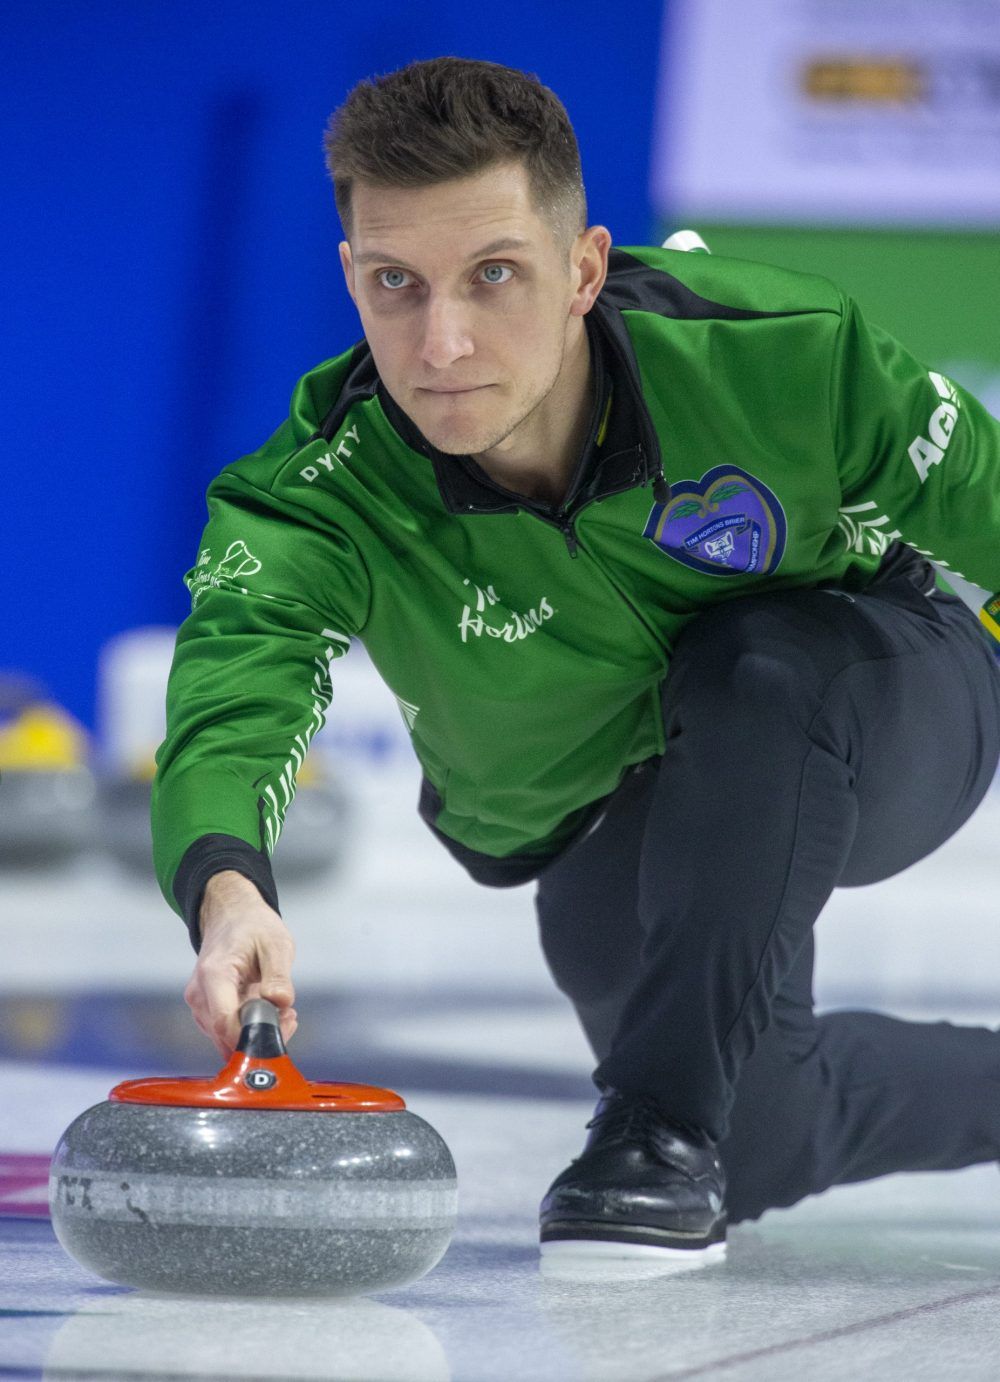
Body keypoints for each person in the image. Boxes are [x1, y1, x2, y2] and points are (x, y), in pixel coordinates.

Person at [151, 56, 1000, 1269]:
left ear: (584, 270)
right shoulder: (313, 499)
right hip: (618, 800)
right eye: (396, 283)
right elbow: (231, 707)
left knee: (757, 667)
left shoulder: (778, 351)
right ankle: (700, 1118)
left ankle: (652, 1125)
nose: (442, 342)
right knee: (756, 1129)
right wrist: (228, 887)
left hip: (878, 701)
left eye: (494, 273)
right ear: (351, 278)